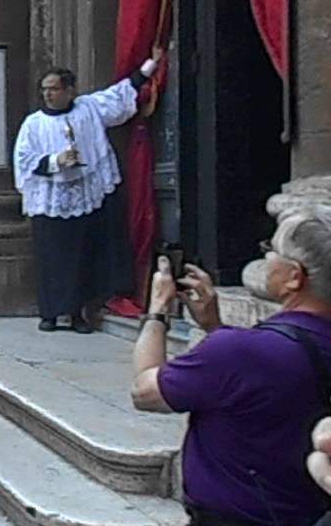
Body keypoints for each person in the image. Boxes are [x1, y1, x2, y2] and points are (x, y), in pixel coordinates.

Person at [131, 205, 331, 525]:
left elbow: (145, 391)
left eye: (271, 249)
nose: (265, 258)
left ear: (295, 277)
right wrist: (215, 328)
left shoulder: (238, 352)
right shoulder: (248, 350)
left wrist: (157, 310)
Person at [14, 47, 163, 333]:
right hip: (50, 202)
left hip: (84, 196)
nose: (48, 95)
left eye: (54, 89)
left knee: (83, 257)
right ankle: (50, 313)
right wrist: (56, 161)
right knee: (52, 259)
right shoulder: (33, 124)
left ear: (70, 91)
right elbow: (23, 160)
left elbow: (121, 93)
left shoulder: (89, 108)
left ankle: (78, 313)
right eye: (45, 89)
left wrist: (149, 66)